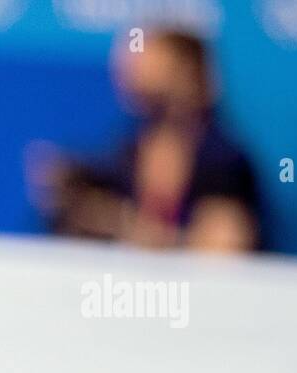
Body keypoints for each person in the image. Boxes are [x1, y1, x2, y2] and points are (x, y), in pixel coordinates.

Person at [30, 28, 261, 252]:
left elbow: (225, 245)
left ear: (188, 71)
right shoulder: (125, 151)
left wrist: (148, 236)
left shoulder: (224, 163)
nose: (133, 67)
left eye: (149, 57)